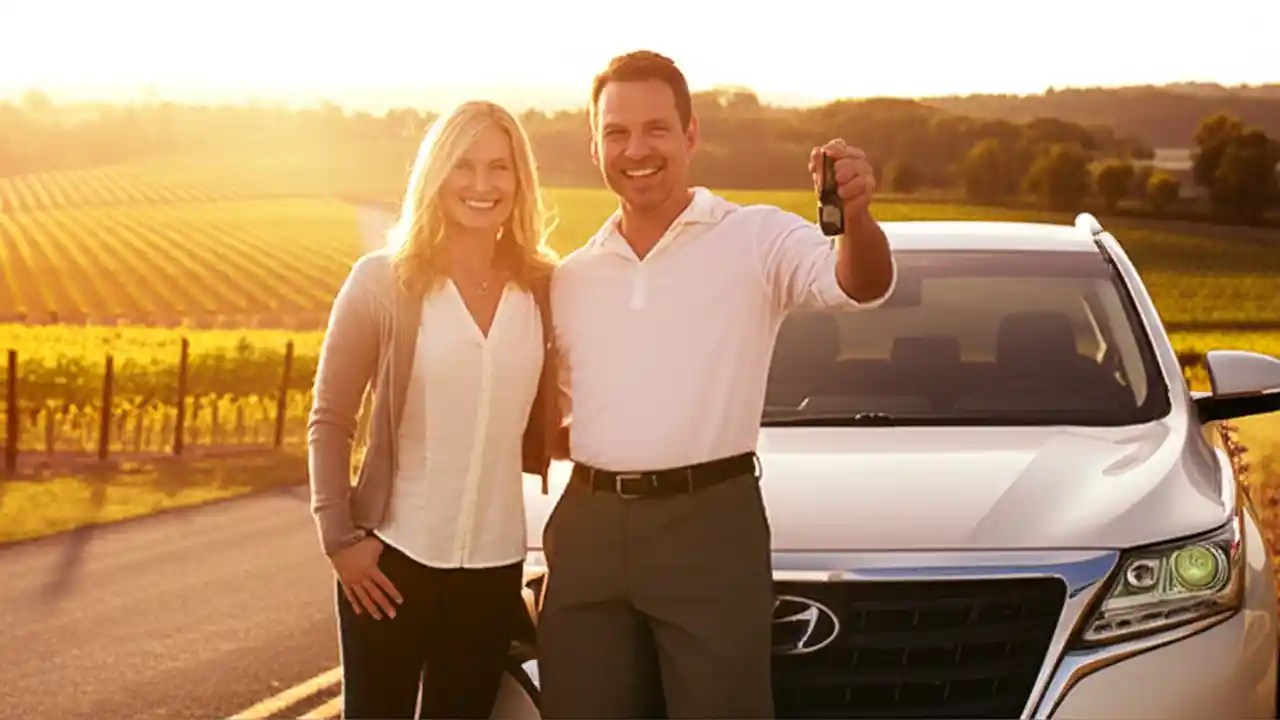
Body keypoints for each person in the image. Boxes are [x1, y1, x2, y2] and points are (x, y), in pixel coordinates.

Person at [536, 50, 897, 719]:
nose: (636, 149)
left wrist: (856, 214)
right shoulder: (574, 276)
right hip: (588, 527)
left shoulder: (755, 238)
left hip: (709, 522)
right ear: (595, 147)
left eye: (655, 129)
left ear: (690, 135)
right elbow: (549, 414)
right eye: (616, 133)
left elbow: (859, 284)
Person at [306, 99, 562, 720]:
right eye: (463, 166)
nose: (481, 184)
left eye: (499, 167)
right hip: (391, 561)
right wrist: (340, 541)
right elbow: (331, 418)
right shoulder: (382, 282)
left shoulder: (544, 288)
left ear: (520, 179)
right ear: (435, 174)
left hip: (494, 569)